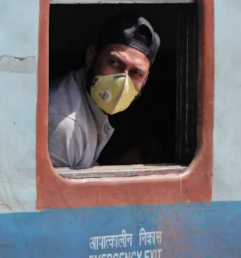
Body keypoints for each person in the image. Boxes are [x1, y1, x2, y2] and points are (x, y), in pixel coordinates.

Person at [48, 13, 160, 169]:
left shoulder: (88, 104)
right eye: (114, 63)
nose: (122, 81)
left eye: (136, 73)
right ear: (91, 57)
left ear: (145, 80)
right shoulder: (66, 126)